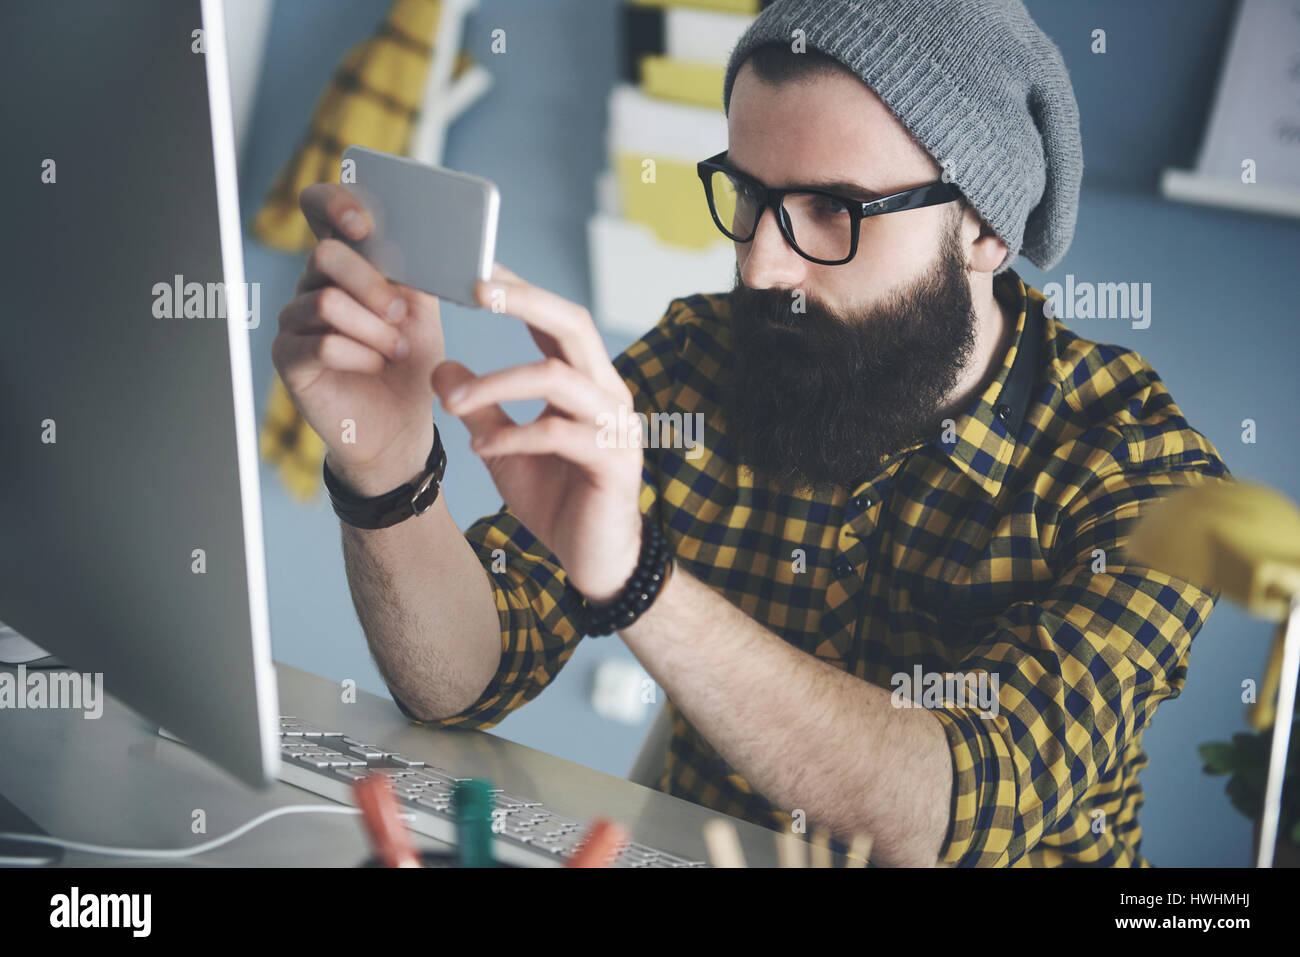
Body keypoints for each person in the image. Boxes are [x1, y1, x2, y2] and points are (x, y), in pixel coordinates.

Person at [271, 0, 1231, 866]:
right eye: (749, 196)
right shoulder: (703, 361)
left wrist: (638, 581)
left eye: (831, 209)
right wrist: (388, 463)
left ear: (984, 227)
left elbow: (940, 808)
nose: (764, 264)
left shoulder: (1147, 479)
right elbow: (465, 677)